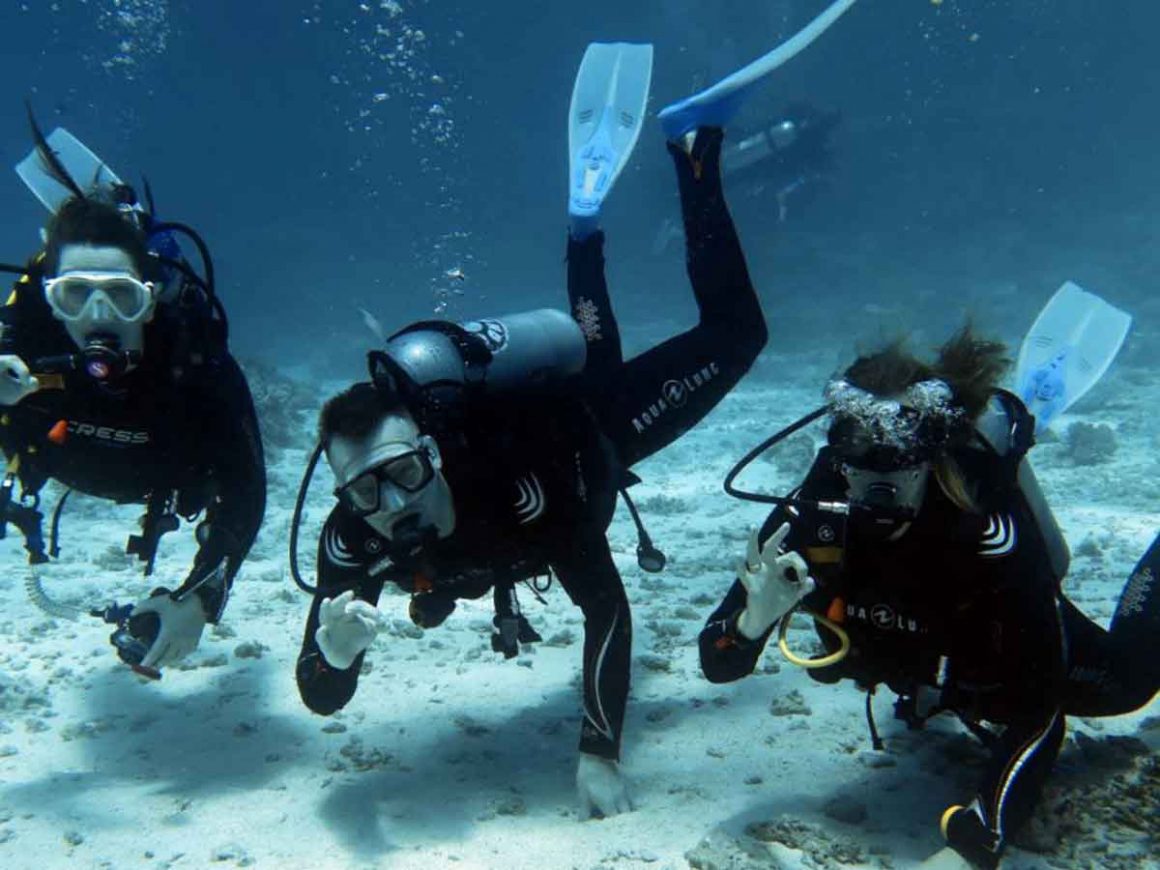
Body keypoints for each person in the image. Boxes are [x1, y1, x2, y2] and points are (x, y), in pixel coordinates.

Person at [293, 76, 768, 816]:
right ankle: (583, 231)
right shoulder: (354, 540)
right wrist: (334, 654)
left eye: (407, 472)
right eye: (364, 492)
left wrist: (601, 748)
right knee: (593, 343)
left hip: (596, 432)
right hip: (568, 415)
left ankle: (694, 150)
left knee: (736, 338)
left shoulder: (521, 487)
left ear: (436, 453)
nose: (393, 504)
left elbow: (607, 608)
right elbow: (320, 697)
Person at [698, 331, 1159, 868]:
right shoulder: (812, 516)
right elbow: (717, 662)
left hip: (983, 657)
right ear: (838, 459)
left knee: (1129, 686)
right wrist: (751, 623)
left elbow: (1039, 713)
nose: (876, 485)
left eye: (896, 465)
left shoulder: (985, 529)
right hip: (910, 660)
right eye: (858, 464)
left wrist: (978, 840)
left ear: (929, 457)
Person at [0, 122, 266, 676]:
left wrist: (199, 597)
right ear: (51, 302)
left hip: (160, 478)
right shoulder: (20, 352)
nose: (98, 318)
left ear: (149, 301)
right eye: (75, 295)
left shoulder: (194, 362)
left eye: (119, 296)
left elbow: (245, 488)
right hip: (57, 456)